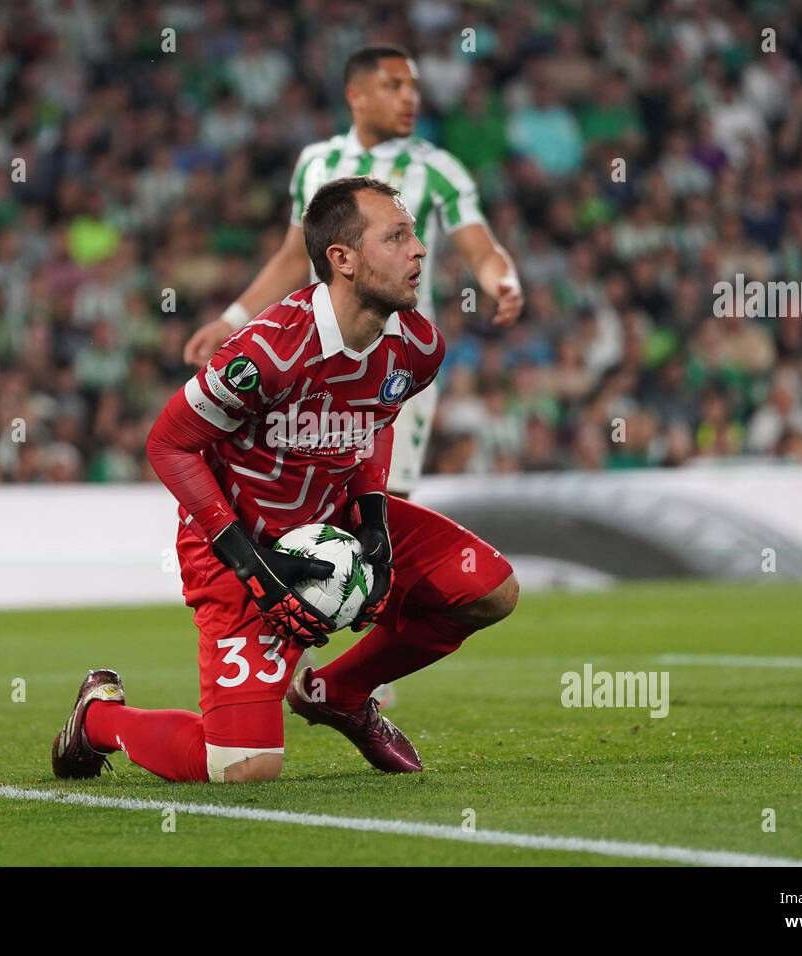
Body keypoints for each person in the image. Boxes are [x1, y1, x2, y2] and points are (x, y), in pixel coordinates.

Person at [52, 177, 517, 784]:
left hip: (336, 516)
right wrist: (250, 563)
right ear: (342, 259)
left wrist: (374, 522)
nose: (419, 250)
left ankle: (336, 693)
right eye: (397, 236)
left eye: (414, 235)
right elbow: (168, 445)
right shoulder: (268, 352)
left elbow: (376, 417)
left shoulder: (417, 347)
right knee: (243, 768)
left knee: (489, 590)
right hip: (236, 540)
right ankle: (98, 720)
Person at [182, 43, 524, 496]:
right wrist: (231, 319)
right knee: (300, 499)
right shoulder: (317, 163)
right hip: (313, 361)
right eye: (393, 86)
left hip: (398, 361)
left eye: (413, 88)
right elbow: (293, 256)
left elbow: (480, 248)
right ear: (356, 95)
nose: (409, 99)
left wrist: (502, 281)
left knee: (384, 508)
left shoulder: (437, 169)